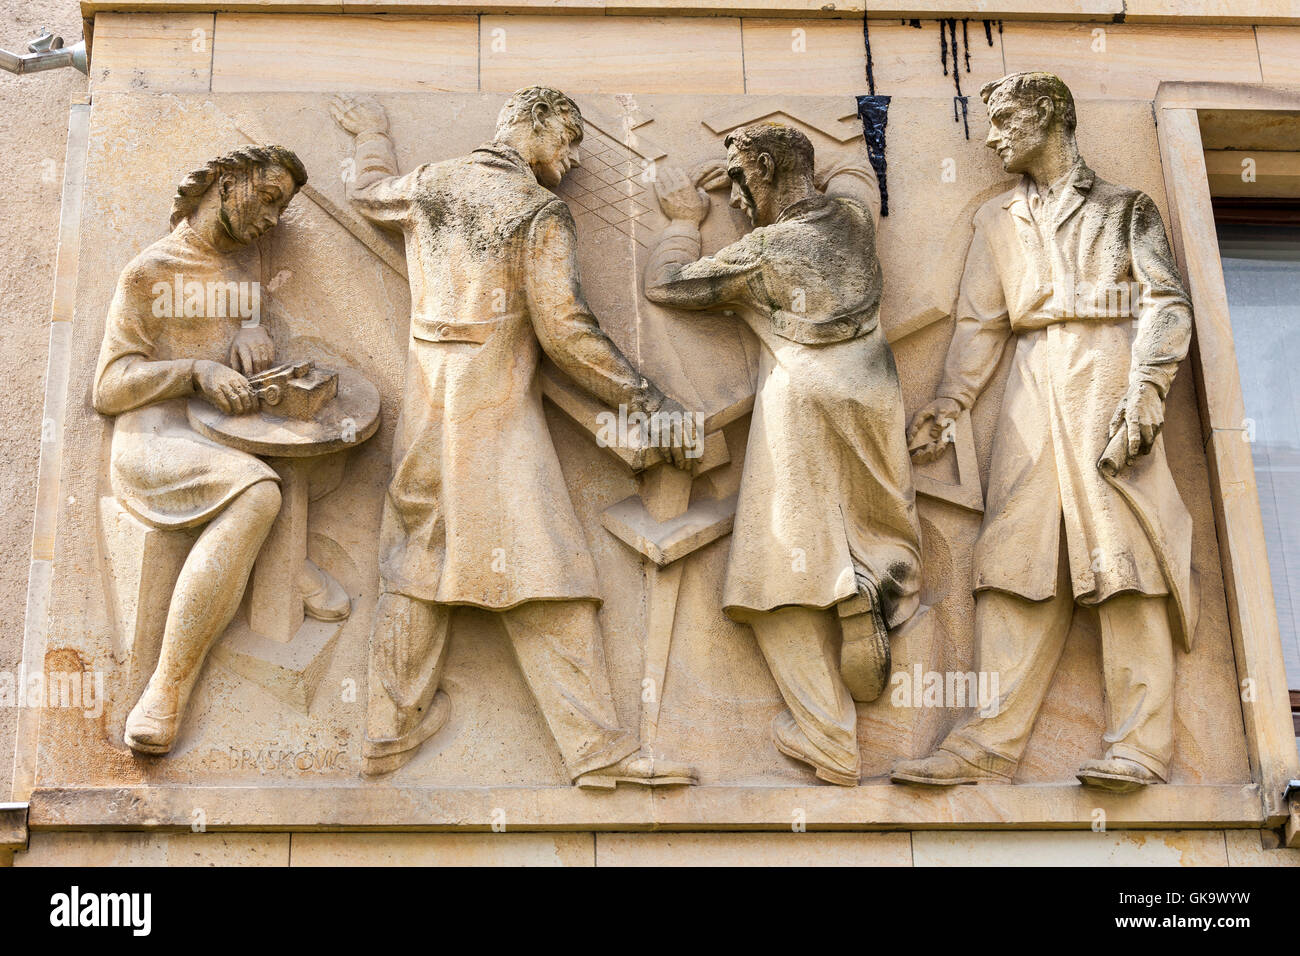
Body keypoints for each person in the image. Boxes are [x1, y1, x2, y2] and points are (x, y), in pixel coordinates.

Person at [331, 87, 698, 786]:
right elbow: (566, 332)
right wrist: (650, 401)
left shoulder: (433, 183)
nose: (571, 159)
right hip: (495, 419)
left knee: (420, 560)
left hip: (431, 412)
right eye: (566, 140)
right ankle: (597, 751)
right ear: (529, 123)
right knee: (545, 569)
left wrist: (373, 132)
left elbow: (369, 190)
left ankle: (385, 730)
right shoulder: (536, 210)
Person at [893, 72, 1195, 792]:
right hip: (1031, 383)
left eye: (1004, 119)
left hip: (1104, 366)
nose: (992, 135)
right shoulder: (997, 219)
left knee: (1123, 558)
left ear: (1051, 114)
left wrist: (1146, 389)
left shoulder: (1124, 207)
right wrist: (951, 400)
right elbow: (979, 323)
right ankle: (988, 742)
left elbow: (1165, 301)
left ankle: (1141, 745)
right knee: (1012, 561)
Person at [643, 124, 922, 786]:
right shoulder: (852, 223)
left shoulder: (764, 250)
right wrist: (774, 168)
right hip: (875, 397)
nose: (737, 200)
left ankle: (827, 734)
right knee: (872, 523)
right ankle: (871, 578)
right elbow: (854, 170)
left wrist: (685, 220)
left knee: (773, 577)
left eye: (742, 184)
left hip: (800, 403)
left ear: (763, 169)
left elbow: (667, 283)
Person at [94, 144, 342, 755]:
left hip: (217, 434)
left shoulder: (244, 261)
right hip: (153, 440)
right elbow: (108, 387)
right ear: (227, 183)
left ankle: (282, 564)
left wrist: (251, 330)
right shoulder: (148, 273)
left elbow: (245, 302)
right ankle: (166, 689)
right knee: (258, 490)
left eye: (282, 209)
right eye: (268, 199)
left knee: (313, 444)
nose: (272, 220)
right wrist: (197, 371)